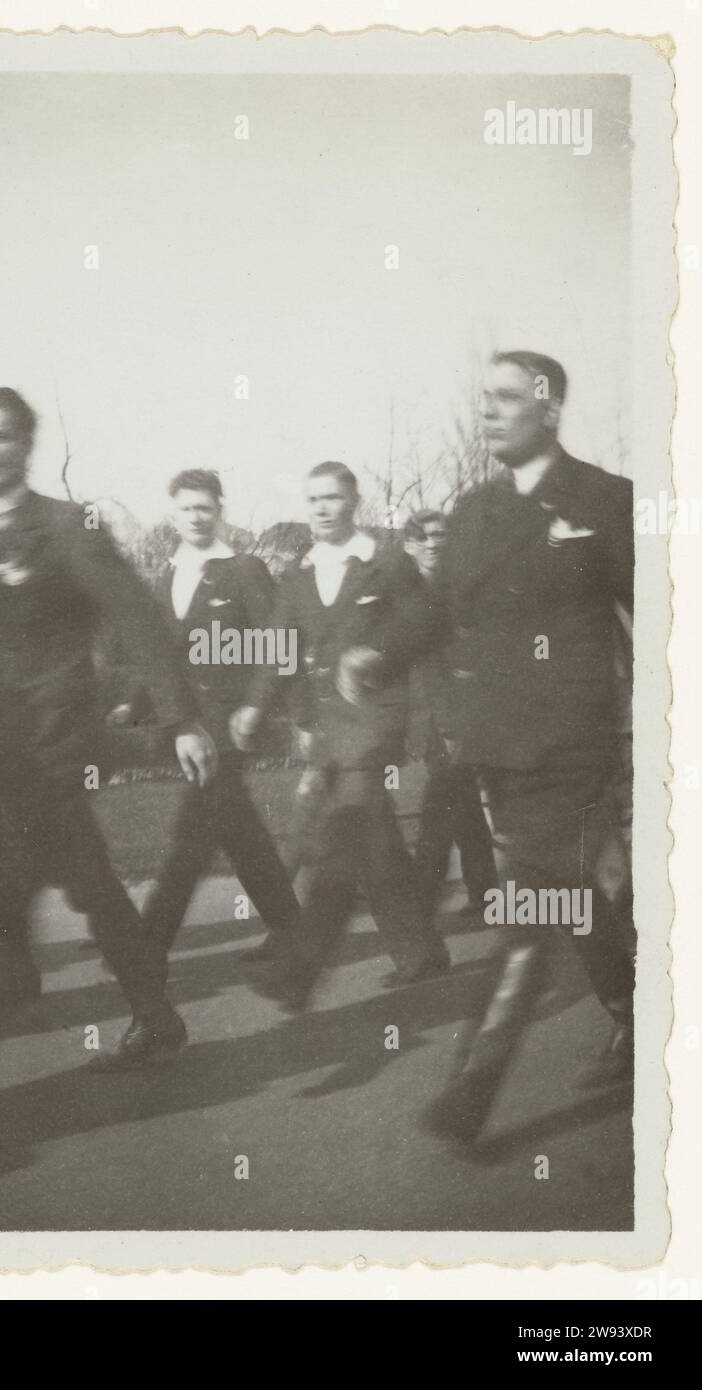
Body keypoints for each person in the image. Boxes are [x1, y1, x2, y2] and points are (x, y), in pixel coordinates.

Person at [0, 387, 218, 1098]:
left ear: (25, 446)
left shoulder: (67, 527)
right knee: (92, 889)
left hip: (52, 752)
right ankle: (156, 1014)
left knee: (16, 894)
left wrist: (181, 718)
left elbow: (139, 619)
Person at [424, 351, 635, 1143]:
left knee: (530, 908)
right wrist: (375, 652)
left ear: (549, 408)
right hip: (499, 747)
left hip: (573, 746)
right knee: (577, 890)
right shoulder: (475, 509)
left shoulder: (603, 499)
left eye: (507, 398)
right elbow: (437, 611)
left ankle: (466, 1098)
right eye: (484, 397)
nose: (489, 411)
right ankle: (635, 1009)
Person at [231, 461, 450, 1010]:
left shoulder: (385, 562)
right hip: (332, 725)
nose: (322, 509)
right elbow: (276, 647)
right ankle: (421, 952)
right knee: (375, 843)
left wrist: (378, 653)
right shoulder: (299, 576)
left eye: (332, 498)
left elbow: (427, 617)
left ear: (353, 502)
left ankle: (297, 970)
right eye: (313, 500)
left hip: (376, 716)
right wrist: (255, 707)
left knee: (345, 830)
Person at [121, 469, 300, 966]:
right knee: (237, 829)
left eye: (204, 507)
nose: (195, 517)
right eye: (185, 508)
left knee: (193, 834)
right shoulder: (168, 572)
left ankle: (147, 945)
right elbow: (159, 653)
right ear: (172, 514)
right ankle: (292, 928)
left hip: (227, 726)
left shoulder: (243, 569)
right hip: (186, 725)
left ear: (220, 510)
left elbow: (278, 646)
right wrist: (134, 705)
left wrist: (255, 705)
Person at [403, 509, 497, 923]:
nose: (433, 544)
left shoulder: (462, 592)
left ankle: (420, 907)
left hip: (457, 719)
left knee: (440, 812)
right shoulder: (403, 592)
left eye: (440, 537)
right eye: (424, 538)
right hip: (423, 719)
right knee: (463, 810)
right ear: (409, 545)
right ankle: (486, 897)